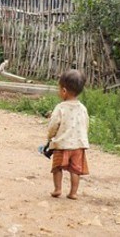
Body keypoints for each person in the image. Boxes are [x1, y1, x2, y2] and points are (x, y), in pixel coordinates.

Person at [45, 69, 90, 200]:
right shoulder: (83, 108)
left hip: (61, 144)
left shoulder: (60, 108)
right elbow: (85, 124)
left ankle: (57, 189)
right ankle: (73, 192)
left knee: (57, 167)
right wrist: (82, 137)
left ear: (64, 91)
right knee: (75, 170)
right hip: (78, 145)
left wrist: (50, 137)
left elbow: (53, 125)